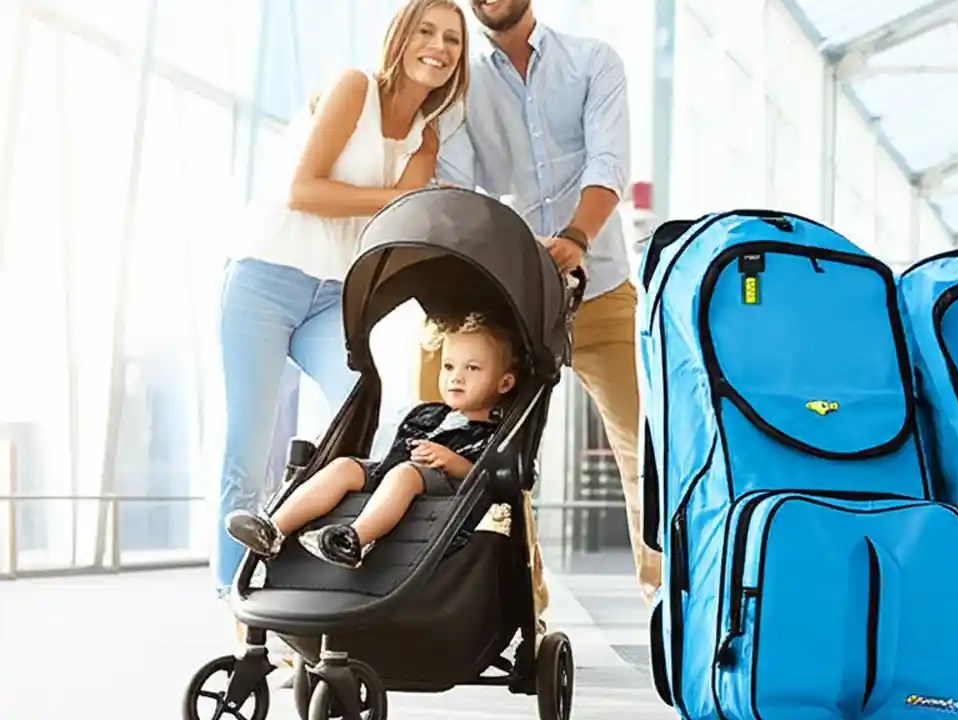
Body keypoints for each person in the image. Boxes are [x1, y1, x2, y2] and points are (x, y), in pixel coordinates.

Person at [214, 0, 472, 598]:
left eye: (452, 40)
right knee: (246, 454)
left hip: (333, 294)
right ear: (401, 37)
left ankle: (336, 555)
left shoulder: (424, 139)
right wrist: (398, 197)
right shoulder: (354, 88)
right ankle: (235, 599)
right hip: (265, 278)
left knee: (369, 415)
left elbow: (402, 220)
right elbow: (303, 190)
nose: (438, 47)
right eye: (426, 32)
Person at [433, 0, 662, 604]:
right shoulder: (462, 80)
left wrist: (575, 239)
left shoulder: (592, 62)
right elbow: (453, 183)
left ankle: (667, 603)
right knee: (490, 453)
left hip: (600, 287)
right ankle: (515, 608)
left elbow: (608, 163)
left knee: (648, 447)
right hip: (509, 299)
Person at [224, 312, 518, 569]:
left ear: (504, 382)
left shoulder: (498, 432)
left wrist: (450, 461)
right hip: (397, 478)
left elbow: (493, 480)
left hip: (445, 498)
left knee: (405, 474)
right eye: (449, 367)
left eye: (473, 368)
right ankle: (274, 530)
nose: (457, 377)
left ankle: (353, 541)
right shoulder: (427, 414)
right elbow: (393, 459)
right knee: (345, 467)